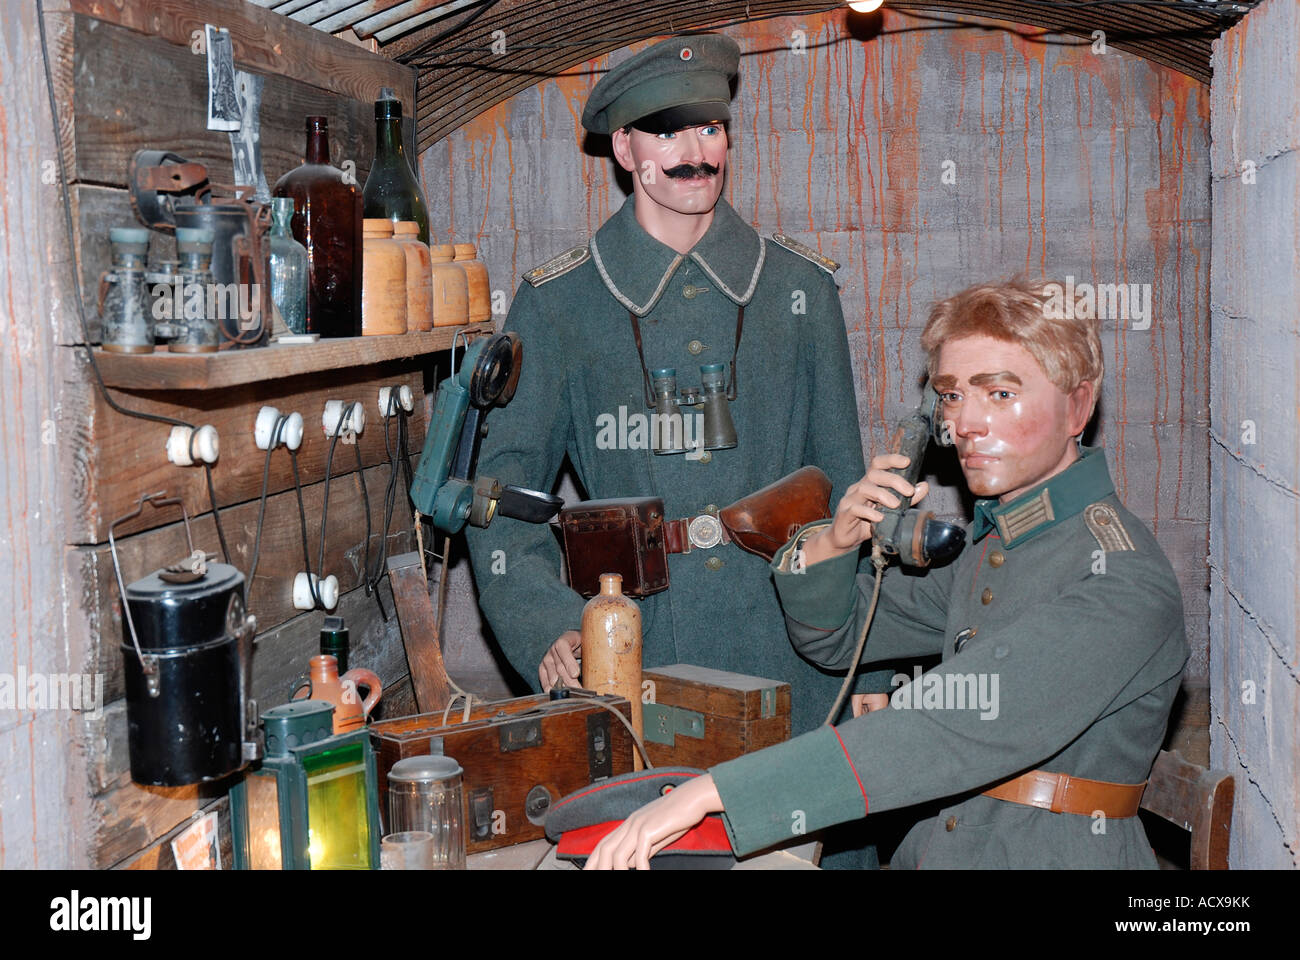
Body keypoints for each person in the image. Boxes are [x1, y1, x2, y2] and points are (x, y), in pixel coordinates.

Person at [464, 34, 898, 863]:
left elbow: (850, 494)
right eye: (667, 133)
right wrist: (550, 627)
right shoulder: (560, 304)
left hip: (794, 655)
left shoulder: (799, 291)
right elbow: (498, 493)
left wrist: (869, 679)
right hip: (636, 656)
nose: (696, 154)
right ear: (625, 149)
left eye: (710, 129)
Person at [584, 277, 1190, 869]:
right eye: (951, 396)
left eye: (1000, 394)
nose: (965, 425)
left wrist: (713, 794)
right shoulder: (1000, 544)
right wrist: (834, 541)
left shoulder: (1118, 577)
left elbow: (950, 728)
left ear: (1077, 405)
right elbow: (840, 639)